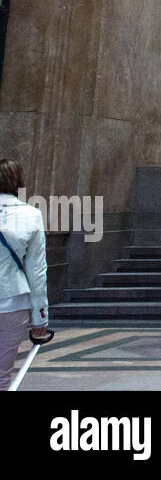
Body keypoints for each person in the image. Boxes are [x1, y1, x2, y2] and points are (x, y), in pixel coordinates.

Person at [0, 159, 48, 391]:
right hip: (12, 301)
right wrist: (40, 318)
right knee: (2, 375)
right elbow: (37, 272)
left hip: (12, 301)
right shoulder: (31, 215)